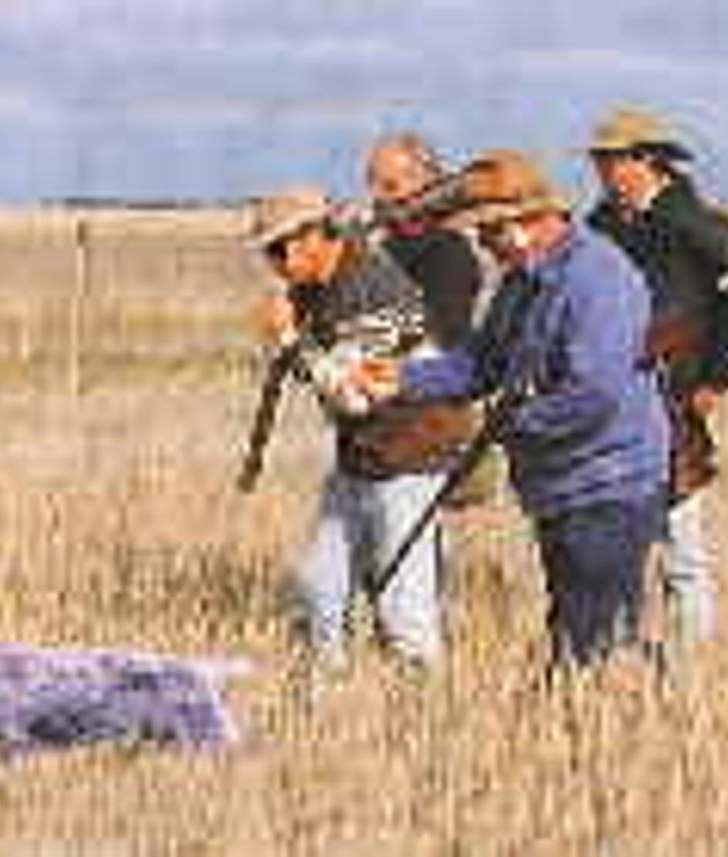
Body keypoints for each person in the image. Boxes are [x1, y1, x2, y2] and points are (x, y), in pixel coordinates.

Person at [350, 150, 669, 669]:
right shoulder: (523, 279)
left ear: (527, 222)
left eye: (489, 233)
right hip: (560, 487)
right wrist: (403, 379)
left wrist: (507, 426)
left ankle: (618, 723)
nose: (484, 245)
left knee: (594, 639)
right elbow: (482, 361)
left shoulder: (598, 278)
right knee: (582, 630)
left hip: (608, 486)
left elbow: (594, 394)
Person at [248, 135, 482, 679]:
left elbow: (352, 394)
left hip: (414, 451)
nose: (273, 265)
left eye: (278, 249)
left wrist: (289, 341)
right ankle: (323, 699)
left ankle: (422, 720)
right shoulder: (332, 277)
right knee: (320, 586)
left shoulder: (373, 286)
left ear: (312, 239)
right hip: (366, 452)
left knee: (406, 608)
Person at [585, 107, 728, 649]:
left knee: (679, 546)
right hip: (610, 401)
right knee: (610, 538)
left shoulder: (699, 226)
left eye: (613, 159)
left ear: (649, 160)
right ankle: (614, 655)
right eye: (600, 160)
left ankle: (693, 668)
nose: (603, 170)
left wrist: (715, 380)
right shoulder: (601, 227)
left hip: (673, 398)